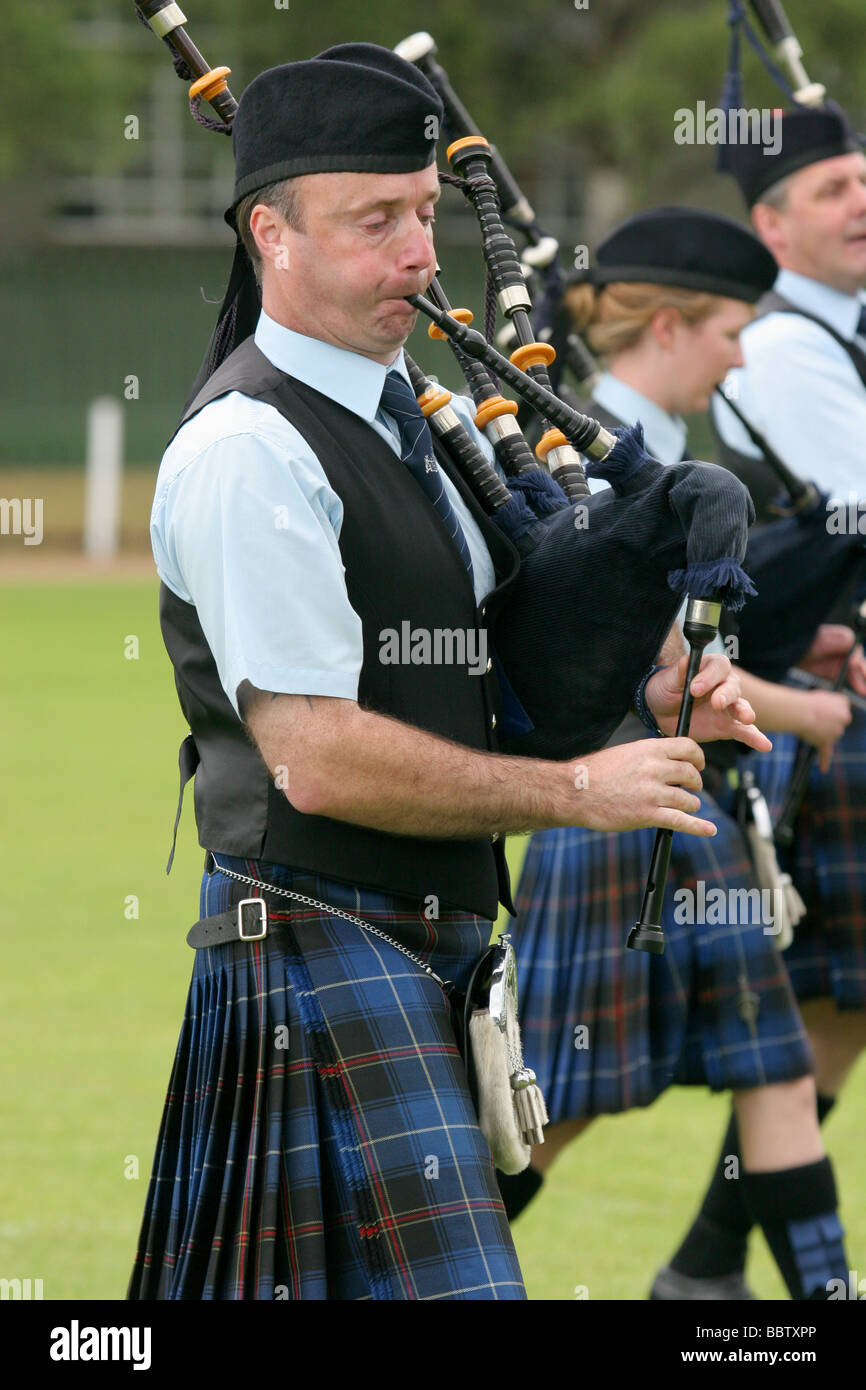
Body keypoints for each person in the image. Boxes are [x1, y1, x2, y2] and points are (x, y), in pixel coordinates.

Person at [126, 48, 762, 1302]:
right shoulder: (248, 450)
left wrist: (648, 693)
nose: (419, 252)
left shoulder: (411, 425)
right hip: (313, 953)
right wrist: (579, 788)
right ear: (272, 232)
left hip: (435, 956)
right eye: (375, 220)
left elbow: (482, 678)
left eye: (422, 212)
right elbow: (314, 750)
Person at [498, 207, 857, 1302]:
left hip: (678, 803)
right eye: (729, 330)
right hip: (611, 801)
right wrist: (795, 712)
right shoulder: (585, 461)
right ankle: (387, 1269)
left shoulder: (644, 446)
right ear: (665, 325)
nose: (744, 353)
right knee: (557, 1106)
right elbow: (643, 666)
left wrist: (809, 642)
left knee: (777, 1072)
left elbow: (697, 637)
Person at [660, 103, 866, 1300]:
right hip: (782, 713)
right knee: (762, 1028)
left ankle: (703, 1265)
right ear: (769, 224)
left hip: (810, 698)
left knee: (830, 1008)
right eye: (831, 187)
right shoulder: (786, 347)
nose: (860, 202)